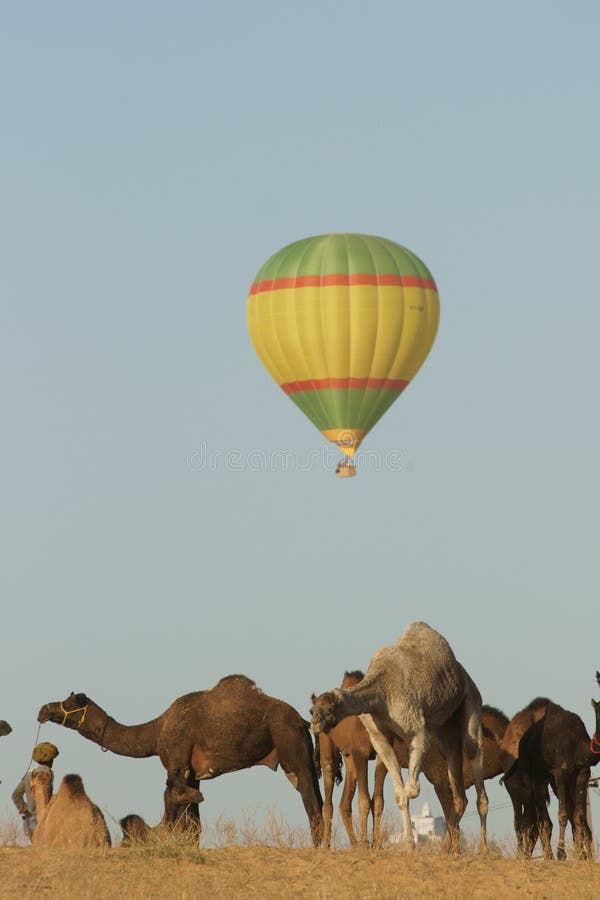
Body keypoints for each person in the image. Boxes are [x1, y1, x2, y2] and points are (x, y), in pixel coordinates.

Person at [12, 742, 59, 840]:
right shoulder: (46, 773)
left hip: (29, 819)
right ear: (50, 759)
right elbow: (44, 797)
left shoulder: (29, 774)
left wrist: (26, 810)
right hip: (43, 819)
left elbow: (15, 795)